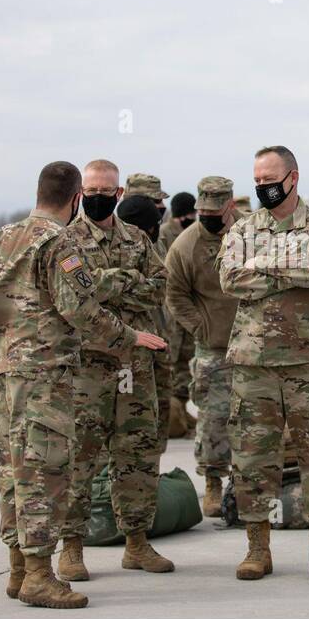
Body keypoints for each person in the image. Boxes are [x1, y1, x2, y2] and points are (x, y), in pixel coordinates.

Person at [0, 161, 166, 609]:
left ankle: (19, 568)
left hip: (5, 372)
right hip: (45, 375)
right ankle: (40, 575)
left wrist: (13, 336)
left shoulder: (5, 236)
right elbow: (81, 309)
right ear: (77, 196)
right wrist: (130, 336)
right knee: (45, 471)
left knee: (13, 471)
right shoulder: (60, 243)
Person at [219, 145, 309, 581]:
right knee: (253, 457)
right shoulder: (243, 226)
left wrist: (263, 264)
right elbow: (230, 279)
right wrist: (289, 263)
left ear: (292, 178)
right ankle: (258, 547)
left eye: (269, 180)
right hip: (253, 363)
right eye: (256, 182)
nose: (262, 188)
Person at [59, 159, 175, 581]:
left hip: (135, 369)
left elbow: (159, 289)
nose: (97, 198)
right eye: (89, 192)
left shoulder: (139, 241)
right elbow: (77, 300)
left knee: (138, 455)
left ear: (119, 193)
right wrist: (123, 282)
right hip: (85, 370)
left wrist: (105, 282)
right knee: (79, 459)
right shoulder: (65, 240)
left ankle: (137, 543)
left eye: (105, 191)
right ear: (79, 193)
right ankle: (71, 548)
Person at [164, 177, 240, 517]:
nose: (208, 217)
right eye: (202, 211)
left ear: (230, 207)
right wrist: (201, 326)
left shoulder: (251, 234)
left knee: (256, 420)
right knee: (213, 417)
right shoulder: (186, 245)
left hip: (256, 345)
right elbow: (174, 294)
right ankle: (213, 482)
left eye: (215, 211)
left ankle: (250, 485)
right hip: (214, 348)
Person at [128, 175, 196, 432]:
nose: (160, 207)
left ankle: (171, 420)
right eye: (155, 201)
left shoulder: (155, 233)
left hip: (162, 323)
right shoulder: (134, 235)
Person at [116, 194, 175, 450]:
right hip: (129, 349)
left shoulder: (155, 247)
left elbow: (158, 291)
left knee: (155, 418)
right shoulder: (124, 248)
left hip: (156, 344)